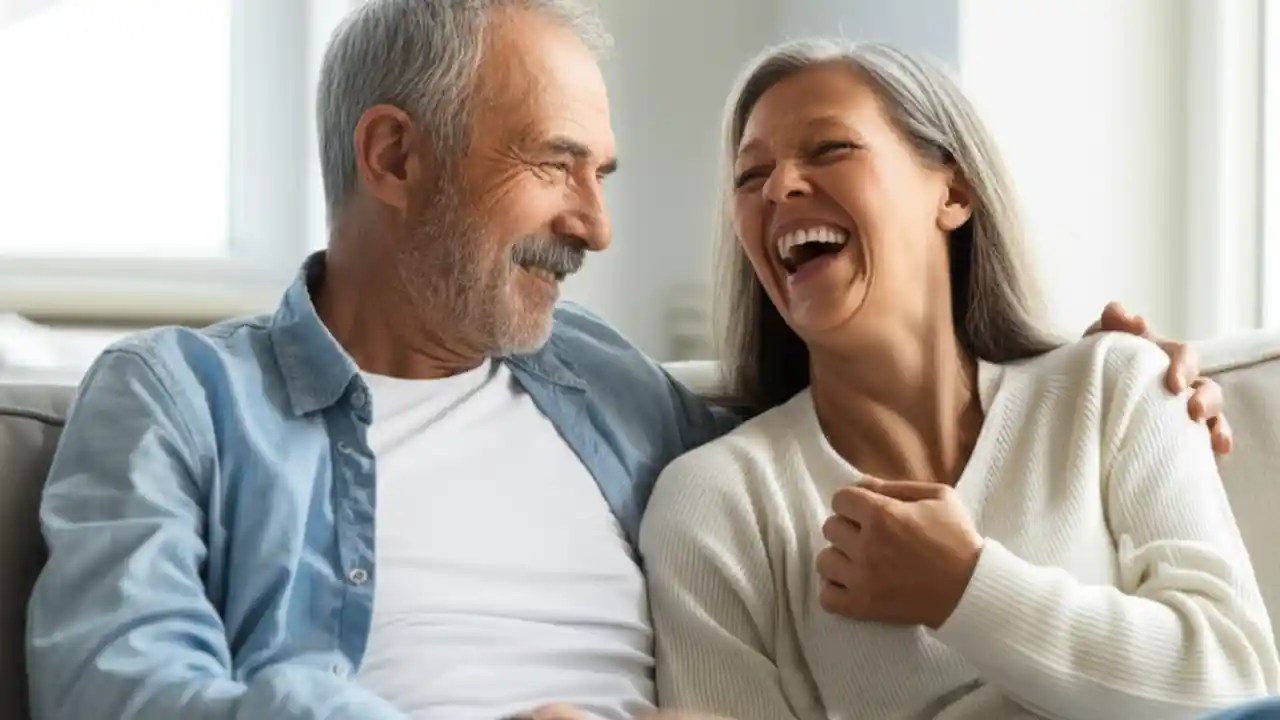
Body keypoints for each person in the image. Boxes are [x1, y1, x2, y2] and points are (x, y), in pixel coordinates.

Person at [24, 2, 1228, 719]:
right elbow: (116, 689)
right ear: (393, 157)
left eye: (604, 177)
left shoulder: (605, 390)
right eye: (556, 166)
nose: (596, 229)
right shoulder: (180, 399)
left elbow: (836, 440)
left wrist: (1112, 372)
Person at [639, 39, 1278, 720]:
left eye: (828, 149)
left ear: (954, 191)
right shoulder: (712, 505)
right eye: (749, 176)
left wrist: (966, 590)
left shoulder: (1118, 386)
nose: (777, 187)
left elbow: (1237, 681)